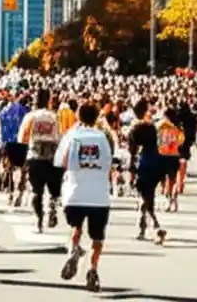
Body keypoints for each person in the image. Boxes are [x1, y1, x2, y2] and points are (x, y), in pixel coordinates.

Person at [55, 101, 113, 292]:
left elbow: (61, 161)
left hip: (74, 192)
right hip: (98, 195)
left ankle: (73, 250)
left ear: (78, 116)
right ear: (97, 117)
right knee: (97, 238)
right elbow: (108, 162)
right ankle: (93, 268)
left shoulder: (71, 135)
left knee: (75, 227)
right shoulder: (102, 137)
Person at [19, 89, 63, 232]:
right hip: (52, 157)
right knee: (54, 190)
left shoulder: (30, 117)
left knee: (36, 191)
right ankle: (52, 209)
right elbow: (60, 136)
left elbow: (22, 138)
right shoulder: (54, 117)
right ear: (49, 100)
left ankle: (39, 219)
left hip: (35, 157)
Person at [127, 99, 167, 242]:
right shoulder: (153, 126)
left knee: (146, 198)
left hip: (142, 165)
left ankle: (155, 227)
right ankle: (142, 226)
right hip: (156, 163)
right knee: (147, 196)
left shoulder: (134, 128)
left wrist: (131, 169)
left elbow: (132, 150)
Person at [0, 94, 30, 204]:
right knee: (24, 170)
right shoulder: (26, 112)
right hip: (23, 143)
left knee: (10, 169)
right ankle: (20, 194)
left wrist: (2, 144)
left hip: (9, 143)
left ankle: (11, 194)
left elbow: (0, 127)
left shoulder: (5, 111)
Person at [156, 106, 185, 212]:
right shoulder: (177, 129)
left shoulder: (160, 127)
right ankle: (172, 197)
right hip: (174, 155)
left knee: (163, 179)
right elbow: (181, 141)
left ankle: (167, 198)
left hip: (162, 155)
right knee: (171, 179)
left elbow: (156, 141)